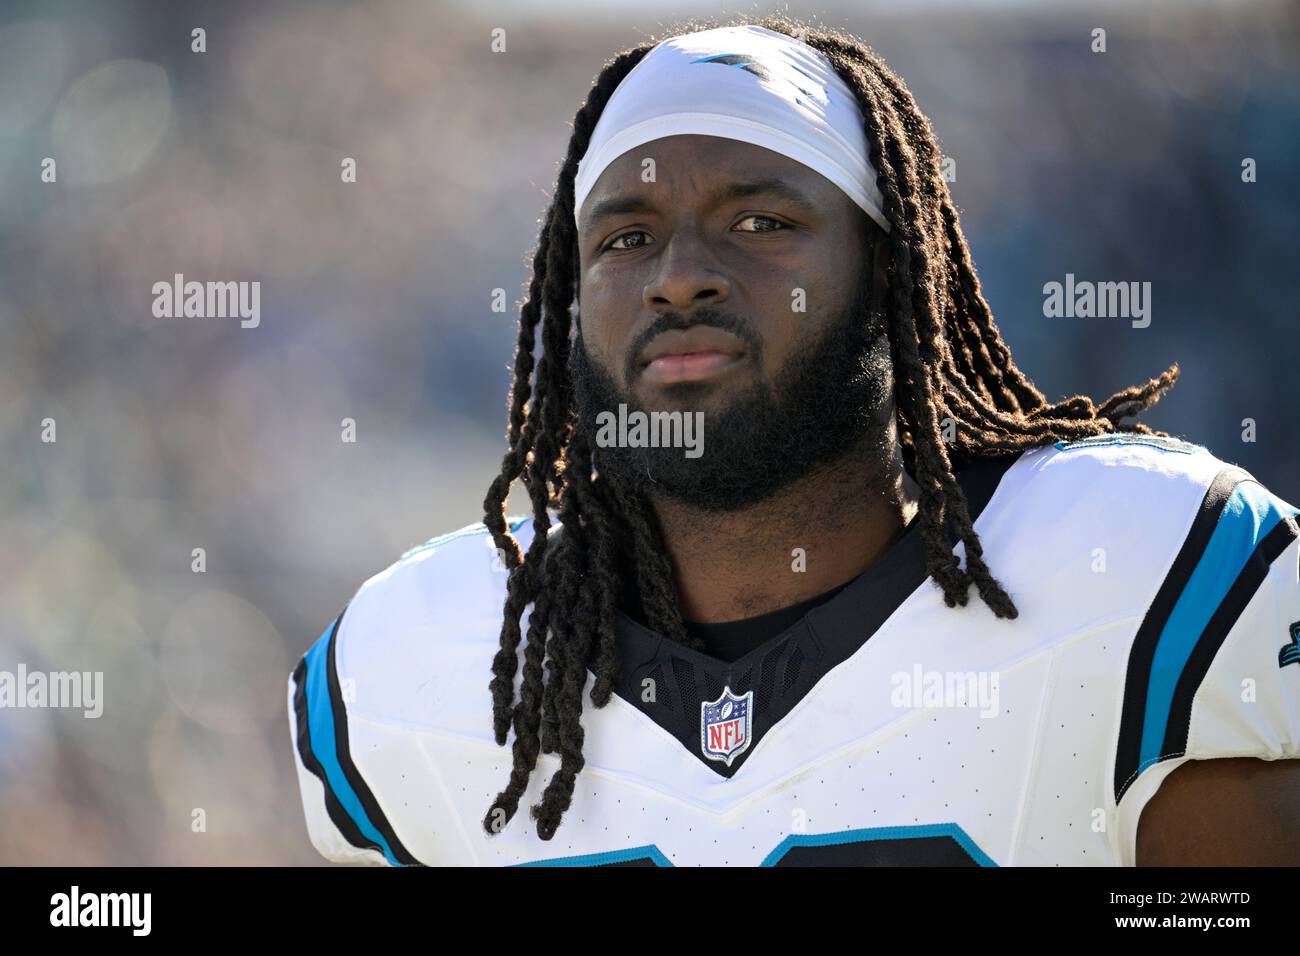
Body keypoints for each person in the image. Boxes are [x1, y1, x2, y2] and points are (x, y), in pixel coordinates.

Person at [288, 16, 1300, 866]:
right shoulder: (411, 663)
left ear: (890, 268)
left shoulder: (1138, 564)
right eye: (625, 236)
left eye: (761, 220)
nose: (679, 275)